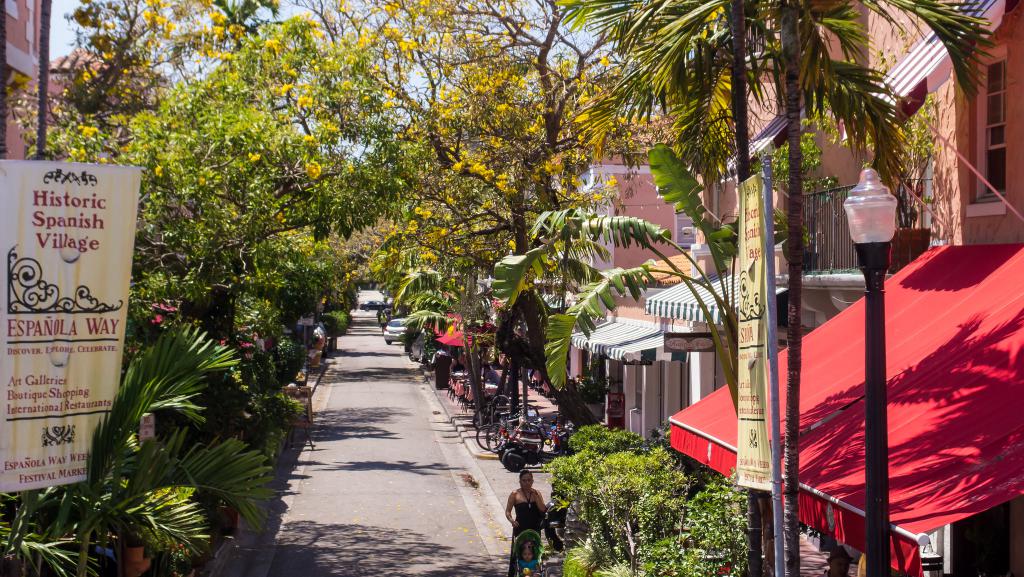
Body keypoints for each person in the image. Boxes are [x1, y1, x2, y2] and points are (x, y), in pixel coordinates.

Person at [505, 470, 547, 577]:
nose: (527, 483)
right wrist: (512, 521)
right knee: (520, 554)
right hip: (520, 529)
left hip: (534, 528)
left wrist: (536, 497)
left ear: (532, 481)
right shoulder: (515, 494)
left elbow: (543, 510)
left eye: (529, 480)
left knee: (534, 553)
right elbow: (508, 511)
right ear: (520, 482)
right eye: (524, 480)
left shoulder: (537, 493)